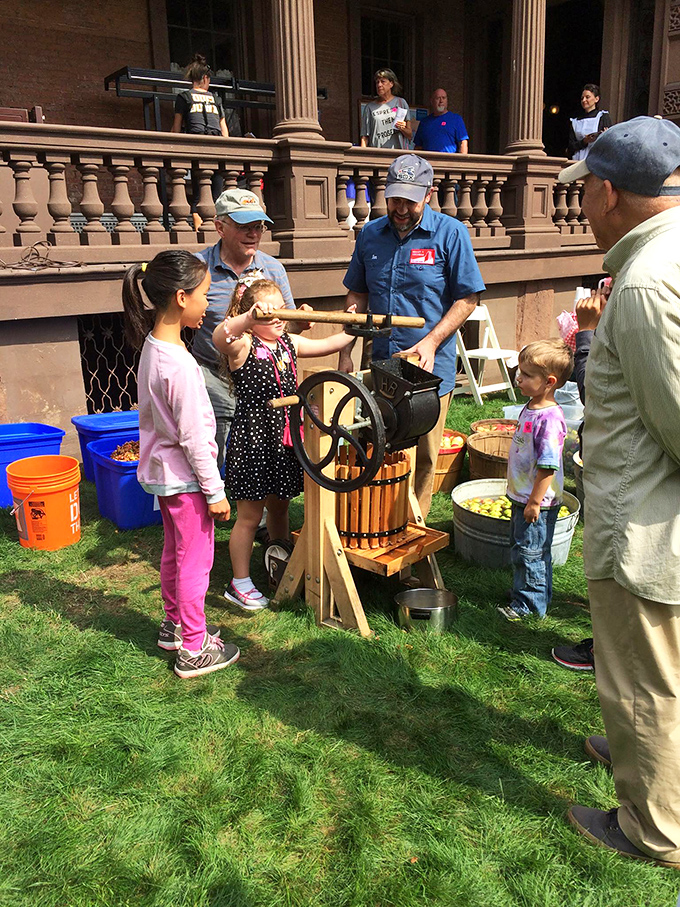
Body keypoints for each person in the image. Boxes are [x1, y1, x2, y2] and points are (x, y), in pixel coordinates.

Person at [557, 116, 680, 869]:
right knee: (648, 668)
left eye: (586, 192)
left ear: (608, 190)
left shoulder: (644, 283)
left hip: (647, 526)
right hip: (650, 513)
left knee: (647, 678)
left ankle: (653, 827)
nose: (583, 207)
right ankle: (637, 749)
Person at [340, 153, 486, 518]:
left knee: (422, 454)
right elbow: (356, 293)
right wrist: (346, 345)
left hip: (427, 367)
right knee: (373, 443)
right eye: (395, 199)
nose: (401, 208)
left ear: (429, 194)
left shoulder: (450, 233)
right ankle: (371, 521)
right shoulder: (371, 234)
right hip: (380, 361)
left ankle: (412, 529)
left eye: (410, 200)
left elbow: (468, 297)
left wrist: (432, 341)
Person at [121, 251, 240, 679]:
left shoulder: (153, 348)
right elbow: (194, 438)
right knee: (196, 563)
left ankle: (174, 626)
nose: (208, 304)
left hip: (164, 478)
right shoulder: (182, 367)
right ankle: (193, 647)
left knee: (175, 553)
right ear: (180, 297)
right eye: (204, 295)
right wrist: (215, 492)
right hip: (188, 482)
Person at [212, 278, 357, 610]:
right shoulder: (244, 345)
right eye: (270, 314)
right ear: (254, 315)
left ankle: (279, 562)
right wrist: (248, 319)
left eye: (282, 312)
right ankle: (240, 582)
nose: (278, 319)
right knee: (250, 515)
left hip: (284, 436)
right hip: (254, 438)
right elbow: (220, 337)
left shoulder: (289, 341)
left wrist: (355, 325)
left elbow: (334, 342)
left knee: (280, 504)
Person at [193, 188, 296, 472]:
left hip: (260, 377)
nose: (253, 234)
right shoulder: (199, 269)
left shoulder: (273, 269)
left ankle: (253, 508)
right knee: (215, 444)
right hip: (212, 373)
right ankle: (215, 504)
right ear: (219, 227)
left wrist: (302, 319)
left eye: (258, 227)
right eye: (244, 226)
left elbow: (286, 322)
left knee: (261, 448)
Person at [550, 285, 609, 672]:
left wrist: (587, 332)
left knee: (610, 562)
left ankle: (607, 651)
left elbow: (594, 389)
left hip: (621, 465)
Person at [497, 340, 573, 623]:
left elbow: (547, 467)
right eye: (520, 371)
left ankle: (529, 606)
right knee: (523, 549)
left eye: (527, 375)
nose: (519, 378)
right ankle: (526, 593)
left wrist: (534, 502)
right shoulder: (530, 406)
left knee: (532, 554)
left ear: (549, 382)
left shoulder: (550, 419)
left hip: (536, 501)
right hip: (523, 496)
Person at [171, 54, 229, 231]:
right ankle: (214, 231)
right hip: (218, 149)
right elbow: (224, 129)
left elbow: (176, 128)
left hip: (197, 149)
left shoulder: (185, 97)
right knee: (216, 195)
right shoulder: (216, 99)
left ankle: (201, 232)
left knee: (198, 195)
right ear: (205, 78)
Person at [360, 68, 412, 150]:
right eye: (377, 82)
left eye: (383, 81)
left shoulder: (401, 103)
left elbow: (409, 135)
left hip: (398, 156)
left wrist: (402, 128)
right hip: (377, 155)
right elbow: (364, 137)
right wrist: (362, 157)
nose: (379, 85)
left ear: (391, 83)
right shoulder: (369, 108)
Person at [414, 88, 469, 154]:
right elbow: (418, 146)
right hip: (428, 162)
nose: (441, 101)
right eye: (438, 98)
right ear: (432, 101)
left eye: (444, 98)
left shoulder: (456, 119)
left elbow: (463, 142)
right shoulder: (424, 122)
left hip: (448, 161)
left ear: (447, 101)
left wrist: (462, 162)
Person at [567, 83, 611, 161]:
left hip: (596, 160)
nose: (584, 100)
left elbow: (610, 141)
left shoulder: (602, 116)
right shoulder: (575, 121)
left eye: (587, 97)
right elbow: (571, 146)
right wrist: (585, 141)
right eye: (582, 98)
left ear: (596, 99)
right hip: (577, 160)